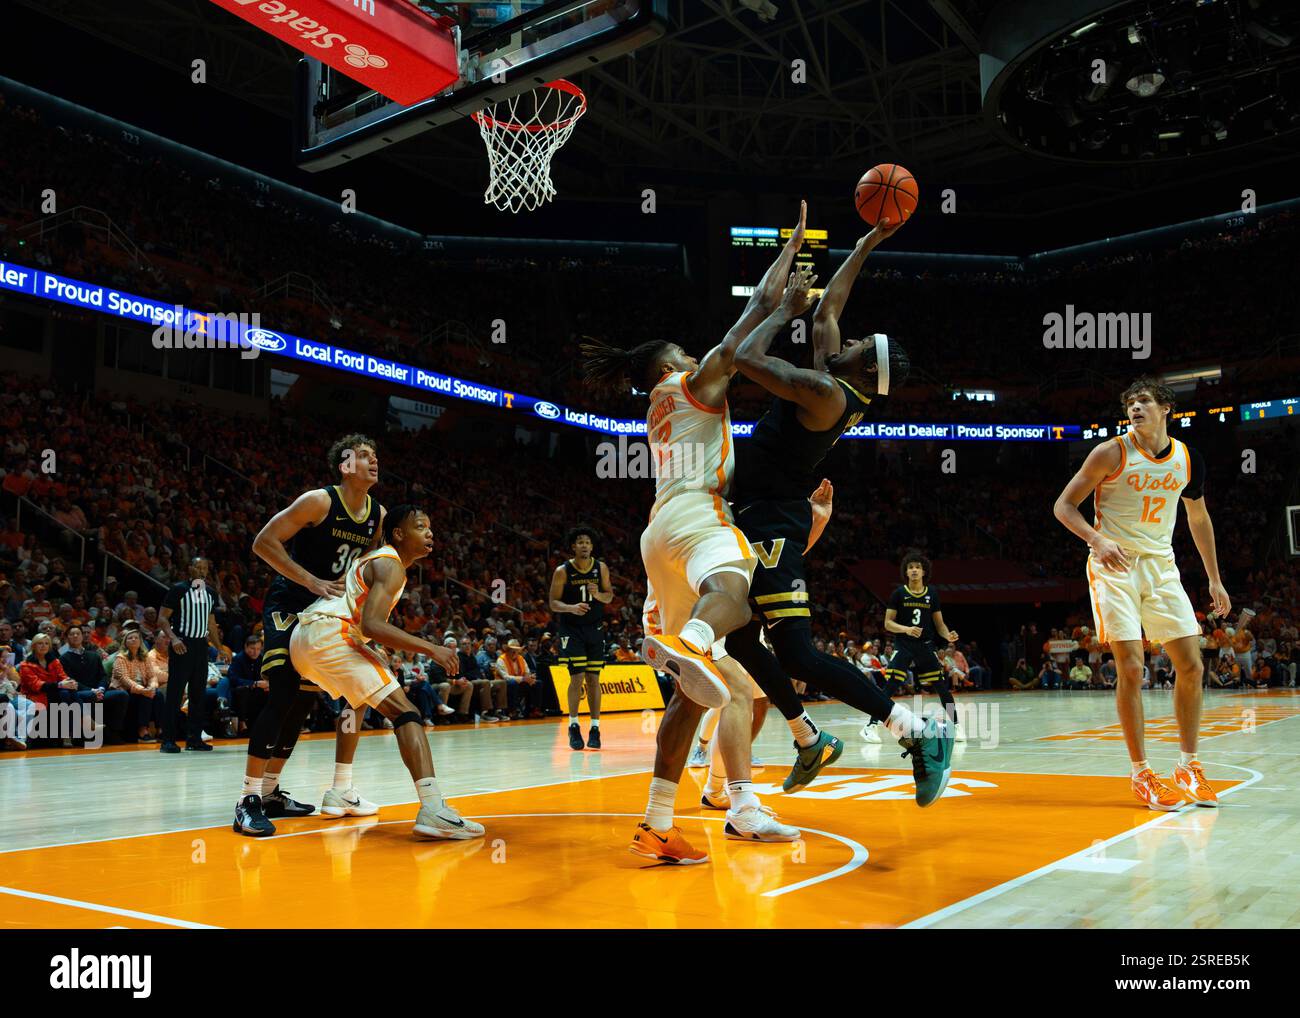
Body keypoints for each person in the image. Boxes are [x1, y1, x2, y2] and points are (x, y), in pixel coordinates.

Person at [580, 202, 812, 862]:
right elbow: (742, 338)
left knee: (712, 691)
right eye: (680, 352)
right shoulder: (690, 383)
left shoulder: (656, 408)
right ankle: (693, 643)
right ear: (667, 367)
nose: (691, 353)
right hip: (698, 517)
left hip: (658, 533)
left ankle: (672, 820)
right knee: (739, 587)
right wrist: (789, 271)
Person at [721, 231, 952, 805]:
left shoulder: (826, 392)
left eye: (857, 342)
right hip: (756, 514)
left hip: (773, 521)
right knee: (742, 640)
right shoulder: (837, 378)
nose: (845, 337)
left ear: (862, 363)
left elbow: (745, 358)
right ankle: (807, 738)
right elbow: (831, 308)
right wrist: (871, 238)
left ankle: (916, 732)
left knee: (796, 652)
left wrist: (777, 311)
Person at [1054, 376, 1230, 810]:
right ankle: (1141, 774)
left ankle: (1188, 765)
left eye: (1145, 401)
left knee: (1190, 664)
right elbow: (1063, 506)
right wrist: (1097, 540)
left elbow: (1199, 519)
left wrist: (1214, 578)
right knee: (1131, 668)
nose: (1135, 408)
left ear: (1166, 408)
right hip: (1114, 565)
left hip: (1162, 566)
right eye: (1131, 403)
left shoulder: (1188, 459)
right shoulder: (1111, 452)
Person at [287, 505, 483, 840]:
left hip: (304, 637)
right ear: (397, 534)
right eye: (420, 526)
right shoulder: (391, 564)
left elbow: (366, 622)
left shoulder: (376, 560)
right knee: (406, 712)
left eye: (430, 527)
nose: (429, 532)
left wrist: (372, 642)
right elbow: (373, 624)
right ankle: (434, 809)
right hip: (332, 633)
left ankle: (341, 790)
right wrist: (431, 648)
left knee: (356, 702)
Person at [235, 435, 386, 837]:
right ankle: (247, 799)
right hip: (288, 604)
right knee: (282, 690)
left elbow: (362, 573)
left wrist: (361, 620)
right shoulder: (319, 501)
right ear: (345, 464)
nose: (374, 462)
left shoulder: (378, 514)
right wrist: (311, 580)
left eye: (375, 457)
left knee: (302, 702)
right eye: (365, 457)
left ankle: (269, 791)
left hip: (327, 612)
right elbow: (263, 542)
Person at [549, 526, 612, 750]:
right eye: (580, 542)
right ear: (573, 546)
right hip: (572, 630)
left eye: (588, 542)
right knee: (577, 678)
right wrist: (571, 607)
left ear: (592, 546)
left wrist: (598, 595)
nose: (584, 545)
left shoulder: (601, 568)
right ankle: (573, 725)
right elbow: (553, 603)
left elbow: (609, 596)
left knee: (594, 679)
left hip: (594, 628)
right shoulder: (562, 570)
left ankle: (595, 727)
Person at [157, 557, 222, 753]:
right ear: (190, 568)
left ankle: (194, 739)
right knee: (175, 694)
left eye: (205, 568)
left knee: (198, 695)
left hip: (201, 647)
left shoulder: (210, 593)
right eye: (199, 567)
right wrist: (174, 639)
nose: (202, 571)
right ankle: (167, 740)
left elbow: (211, 625)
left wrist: (219, 648)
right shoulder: (178, 589)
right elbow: (162, 618)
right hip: (182, 645)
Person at [111, 629, 165, 741]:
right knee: (146, 695)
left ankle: (160, 729)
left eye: (136, 637)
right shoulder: (120, 658)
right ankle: (142, 730)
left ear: (140, 641)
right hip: (125, 689)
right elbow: (124, 678)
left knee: (158, 694)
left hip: (143, 689)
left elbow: (152, 676)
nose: (134, 639)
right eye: (130, 638)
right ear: (125, 642)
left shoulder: (145, 657)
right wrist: (142, 689)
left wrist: (153, 686)